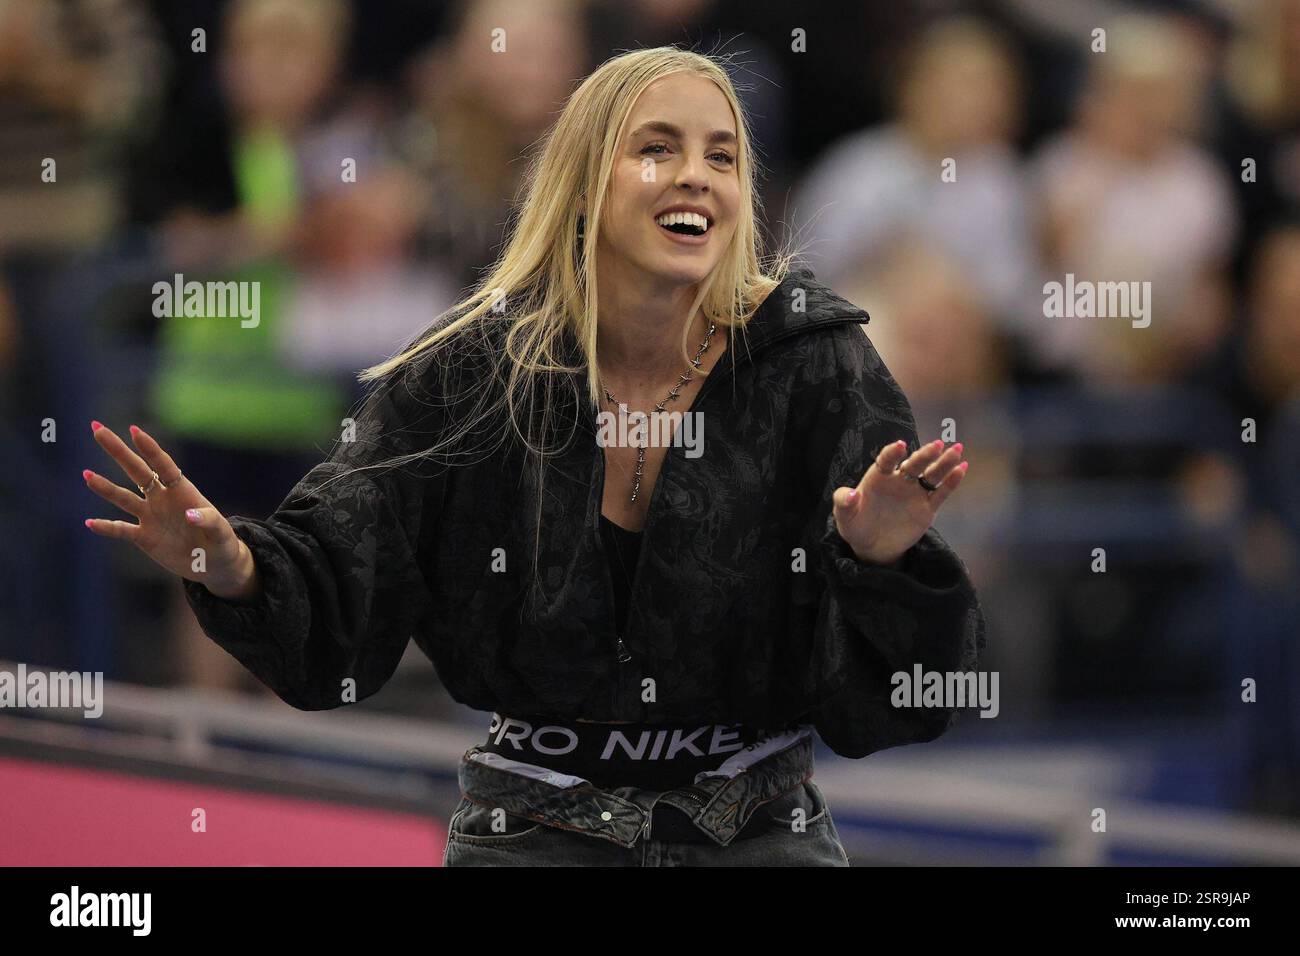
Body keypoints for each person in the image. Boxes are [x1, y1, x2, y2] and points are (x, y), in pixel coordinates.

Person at [82, 47, 985, 866]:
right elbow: (344, 571)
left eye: (721, 156)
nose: (696, 177)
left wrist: (881, 562)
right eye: (658, 148)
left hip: (759, 834)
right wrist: (233, 562)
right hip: (534, 834)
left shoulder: (815, 363)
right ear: (586, 182)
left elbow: (899, 705)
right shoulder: (472, 367)